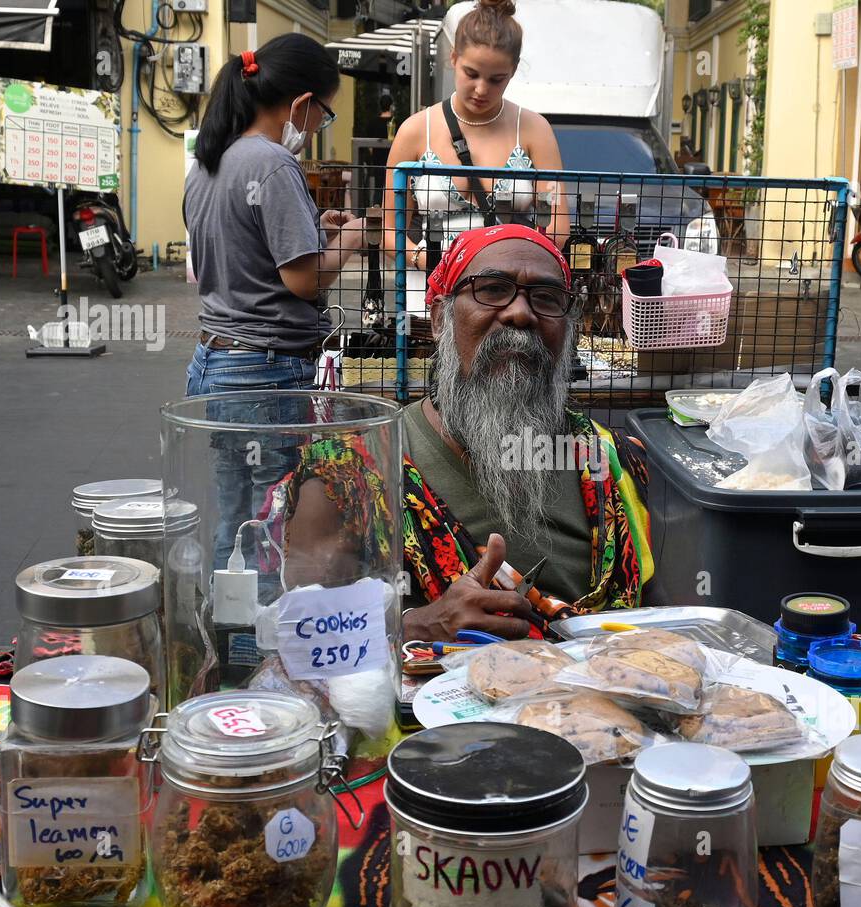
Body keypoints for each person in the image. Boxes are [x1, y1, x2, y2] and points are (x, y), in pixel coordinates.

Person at [284, 225, 654, 642]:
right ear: (441, 318)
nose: (520, 313)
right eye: (492, 290)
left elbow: (671, 626)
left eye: (546, 299)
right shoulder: (348, 478)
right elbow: (300, 637)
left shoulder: (615, 466)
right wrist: (416, 625)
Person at [184, 33, 364, 568]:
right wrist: (353, 240)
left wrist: (313, 227)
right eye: (322, 116)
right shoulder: (274, 165)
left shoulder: (210, 161)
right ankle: (261, 648)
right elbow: (303, 282)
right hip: (263, 371)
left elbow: (246, 253)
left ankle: (229, 637)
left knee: (235, 519)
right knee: (269, 526)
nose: (316, 129)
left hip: (217, 363)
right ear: (303, 103)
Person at [382, 0, 566, 317]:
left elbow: (557, 227)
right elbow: (390, 233)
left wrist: (510, 270)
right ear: (452, 58)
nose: (481, 89)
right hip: (430, 299)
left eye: (497, 79)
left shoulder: (535, 131)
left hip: (511, 303)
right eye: (471, 74)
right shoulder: (414, 131)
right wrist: (438, 263)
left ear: (513, 71)